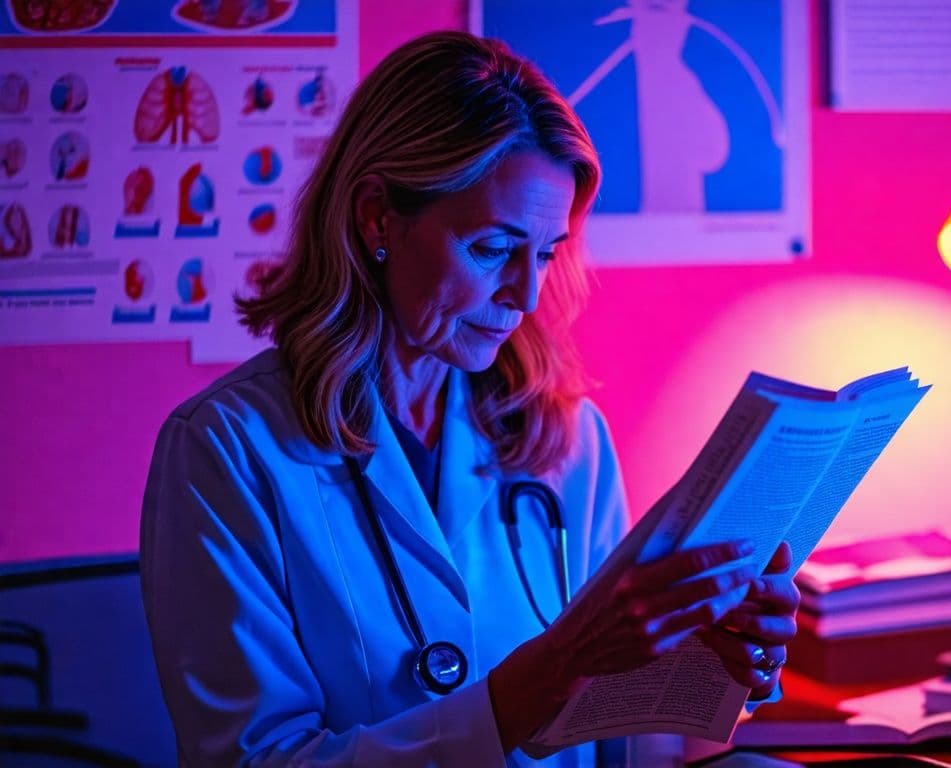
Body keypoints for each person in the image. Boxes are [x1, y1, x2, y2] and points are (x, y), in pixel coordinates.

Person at [140, 30, 799, 767]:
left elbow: (633, 751)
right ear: (377, 218)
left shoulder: (566, 435)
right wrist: (543, 680)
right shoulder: (229, 449)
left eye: (545, 254)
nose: (524, 293)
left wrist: (704, 656)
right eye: (491, 249)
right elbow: (252, 762)